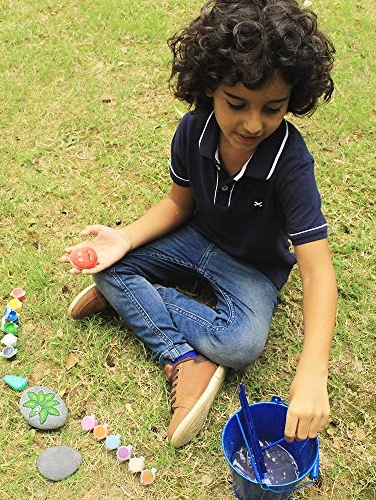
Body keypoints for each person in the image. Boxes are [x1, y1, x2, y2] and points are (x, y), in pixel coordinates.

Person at [61, 0, 337, 448]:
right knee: (110, 264)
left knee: (240, 346)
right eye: (237, 103)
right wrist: (126, 237)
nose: (253, 123)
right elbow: (177, 205)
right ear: (209, 86)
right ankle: (180, 356)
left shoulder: (290, 160)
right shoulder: (193, 129)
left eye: (273, 108)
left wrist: (313, 370)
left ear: (294, 98)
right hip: (194, 240)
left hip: (253, 270)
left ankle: (135, 300)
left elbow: (317, 271)